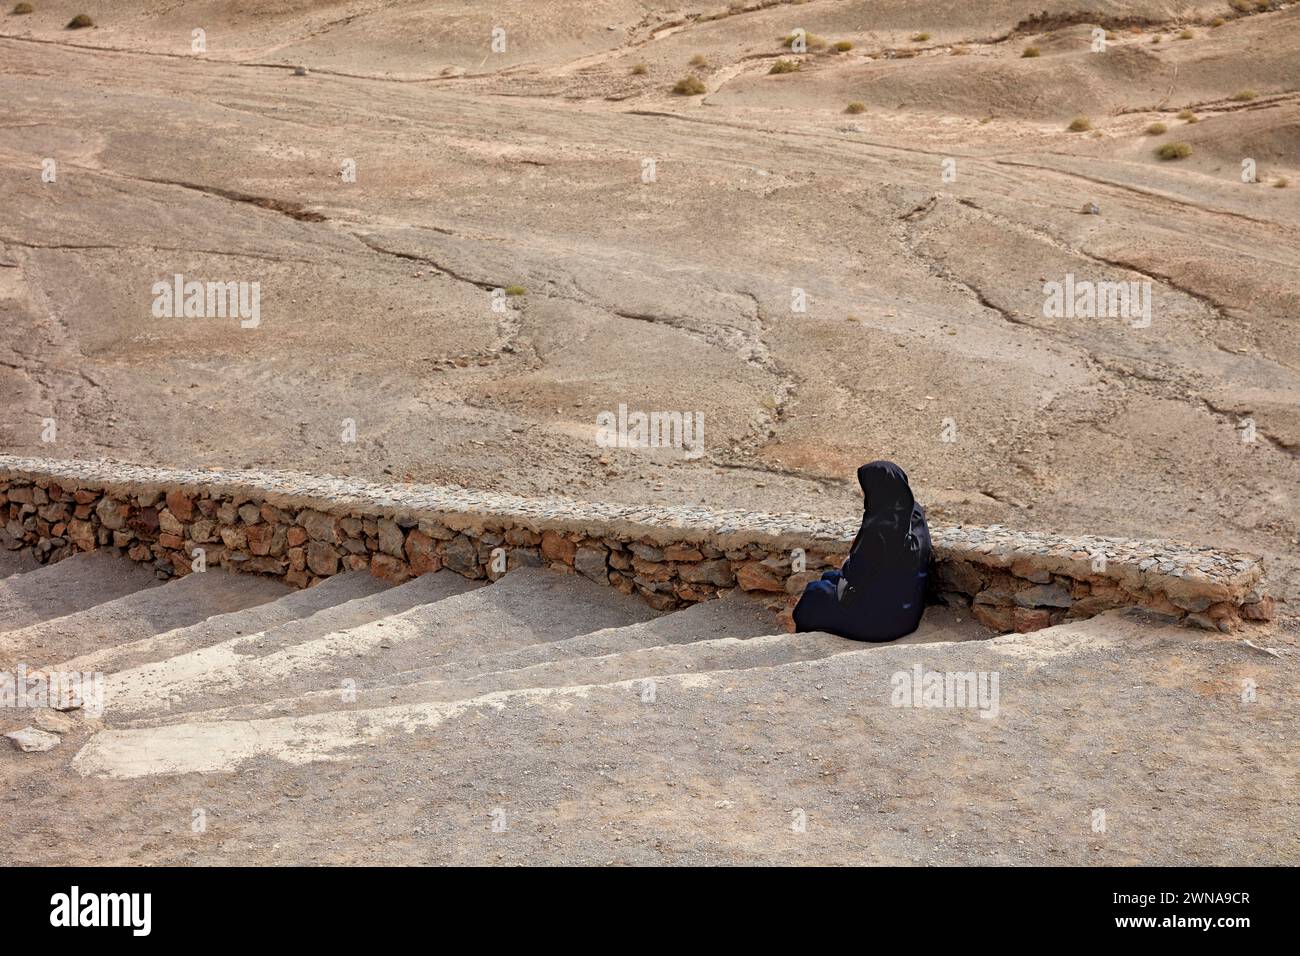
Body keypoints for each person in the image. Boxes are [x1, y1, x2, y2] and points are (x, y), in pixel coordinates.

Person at [792, 460, 931, 642]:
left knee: (815, 593)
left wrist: (849, 562)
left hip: (881, 623)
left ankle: (803, 644)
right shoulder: (913, 514)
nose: (864, 493)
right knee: (829, 577)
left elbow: (856, 574)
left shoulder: (880, 530)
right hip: (908, 609)